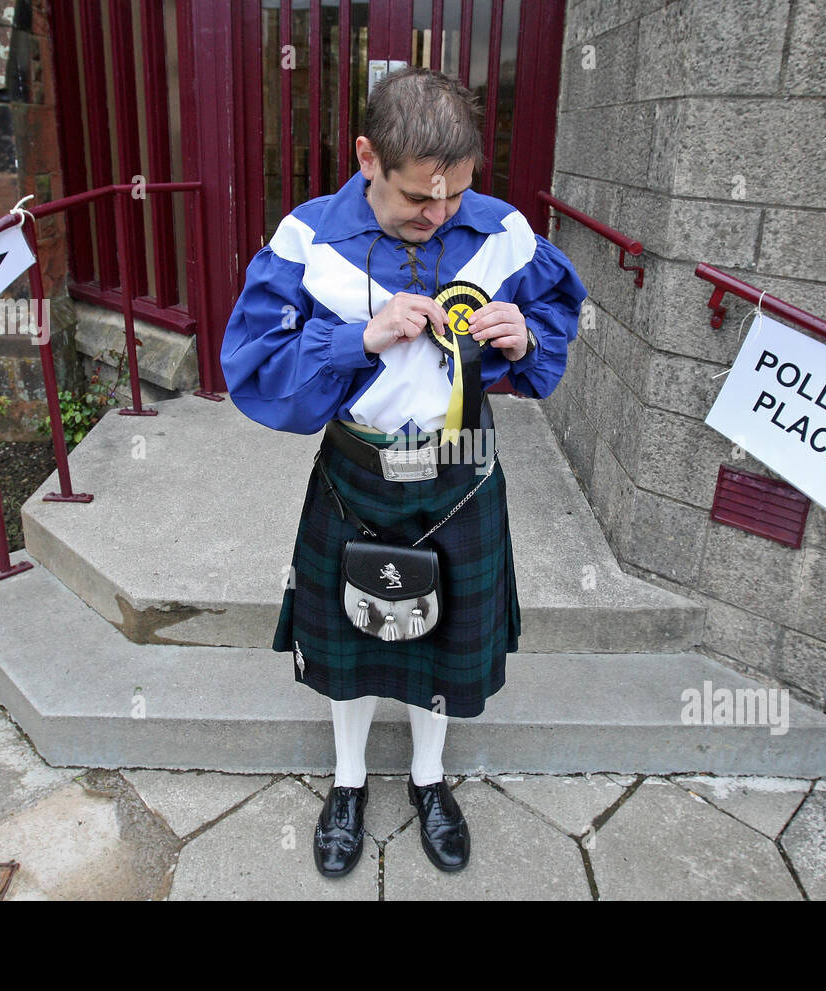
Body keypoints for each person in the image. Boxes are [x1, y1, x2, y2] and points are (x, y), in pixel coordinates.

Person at [219, 66, 587, 878]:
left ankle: (429, 779)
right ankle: (347, 783)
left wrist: (526, 338)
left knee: (448, 641)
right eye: (420, 197)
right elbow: (253, 365)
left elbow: (561, 313)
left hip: (461, 473)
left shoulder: (503, 235)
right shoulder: (306, 241)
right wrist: (357, 338)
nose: (439, 215)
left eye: (454, 195)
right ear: (365, 157)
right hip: (357, 473)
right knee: (352, 635)